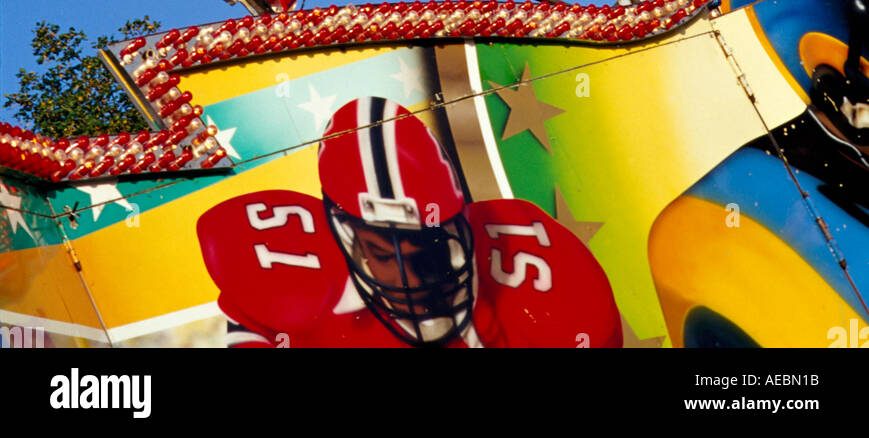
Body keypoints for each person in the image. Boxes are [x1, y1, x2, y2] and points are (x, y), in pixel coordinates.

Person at [197, 96, 622, 349]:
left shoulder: (526, 259)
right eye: (386, 250)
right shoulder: (280, 263)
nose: (412, 273)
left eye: (429, 243)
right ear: (344, 233)